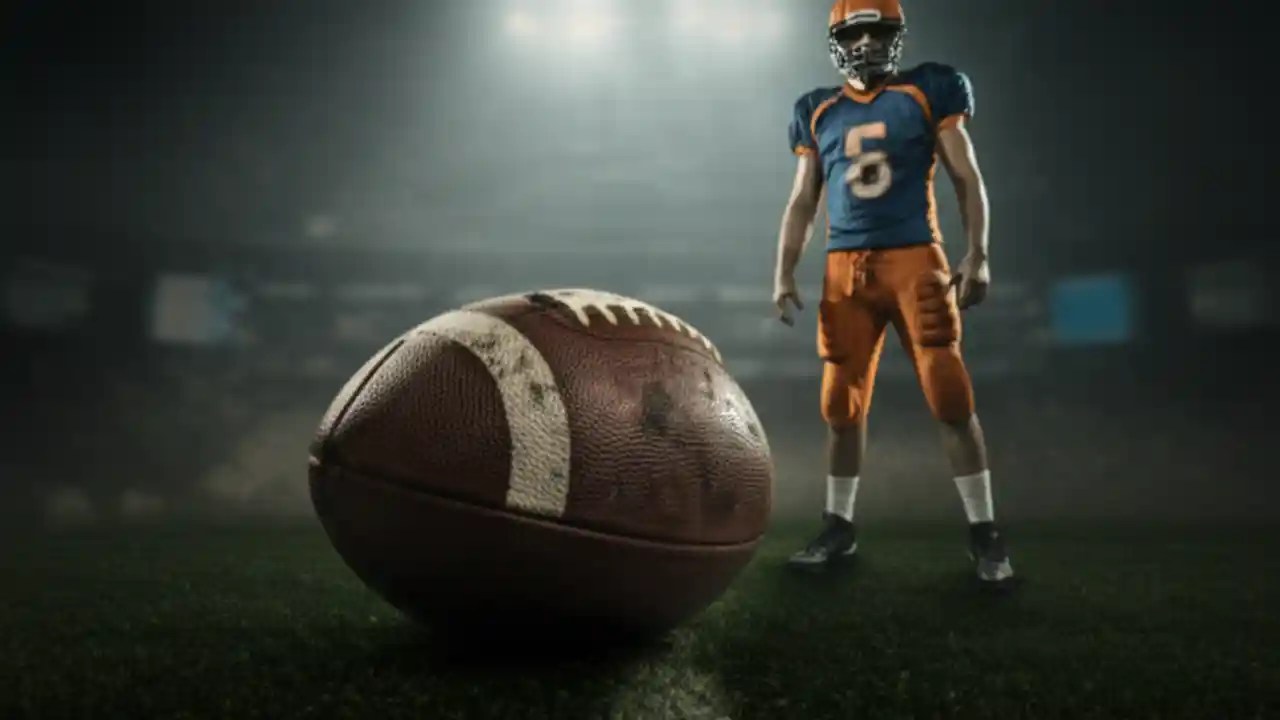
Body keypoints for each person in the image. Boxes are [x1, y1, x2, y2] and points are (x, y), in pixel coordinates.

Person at [773, 0, 1013, 585]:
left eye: (880, 31)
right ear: (836, 41)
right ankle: (839, 527)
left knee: (950, 395)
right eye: (856, 33)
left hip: (915, 261)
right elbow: (804, 199)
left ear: (897, 36)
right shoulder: (817, 109)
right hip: (843, 270)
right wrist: (784, 271)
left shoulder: (930, 89)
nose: (868, 43)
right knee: (840, 406)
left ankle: (986, 535)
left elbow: (966, 176)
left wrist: (977, 253)